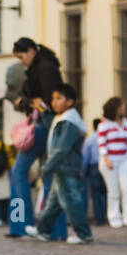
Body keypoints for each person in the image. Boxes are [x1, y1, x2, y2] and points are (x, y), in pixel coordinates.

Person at [6, 37, 63, 238]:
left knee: (19, 172)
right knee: (48, 177)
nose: (21, 61)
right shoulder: (43, 66)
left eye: (22, 57)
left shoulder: (44, 69)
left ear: (31, 51)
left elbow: (49, 102)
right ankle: (53, 230)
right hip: (43, 127)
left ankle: (21, 225)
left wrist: (29, 102)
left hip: (42, 127)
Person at [33, 84, 93, 244]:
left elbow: (62, 148)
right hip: (61, 167)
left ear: (70, 102)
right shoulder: (62, 118)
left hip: (66, 166)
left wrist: (47, 167)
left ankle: (84, 234)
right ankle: (43, 230)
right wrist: (42, 110)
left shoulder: (70, 121)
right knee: (53, 203)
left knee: (72, 201)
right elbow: (50, 122)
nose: (55, 102)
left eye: (59, 98)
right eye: (53, 99)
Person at [98, 97, 127, 228]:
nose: (124, 108)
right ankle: (114, 218)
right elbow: (102, 143)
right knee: (113, 191)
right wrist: (106, 158)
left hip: (124, 159)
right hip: (110, 160)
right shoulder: (104, 125)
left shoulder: (126, 123)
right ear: (115, 108)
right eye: (122, 106)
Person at [79, 118, 108, 226]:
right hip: (106, 165)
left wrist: (82, 172)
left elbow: (85, 157)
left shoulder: (90, 139)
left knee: (95, 194)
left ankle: (99, 218)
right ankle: (105, 215)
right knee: (105, 193)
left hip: (94, 168)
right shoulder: (106, 137)